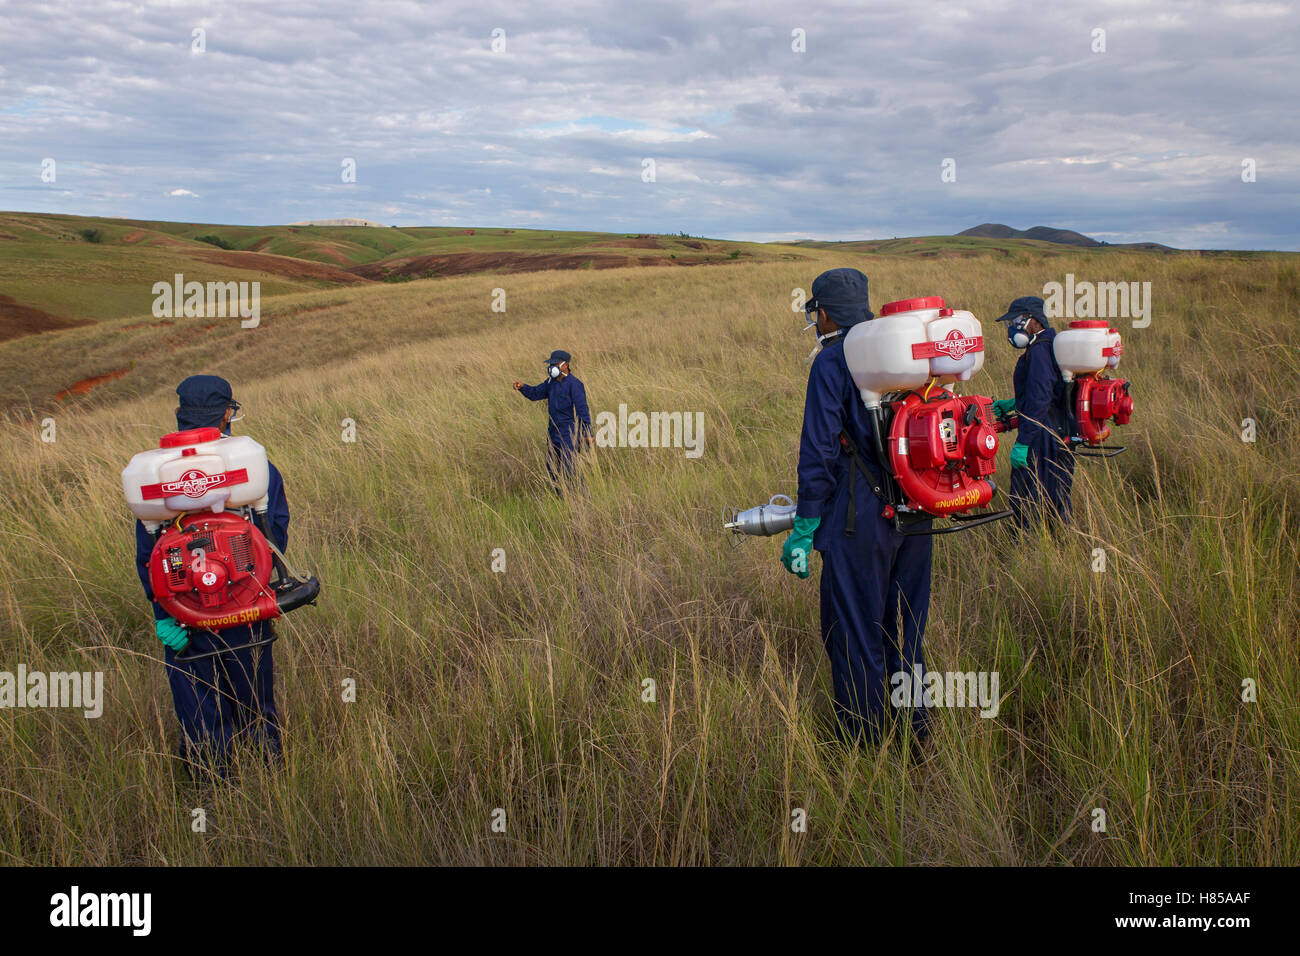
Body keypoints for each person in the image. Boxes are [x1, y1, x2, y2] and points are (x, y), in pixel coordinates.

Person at [780, 268, 932, 748]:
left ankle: (865, 746)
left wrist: (804, 526)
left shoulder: (832, 362)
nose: (816, 322)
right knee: (905, 629)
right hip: (917, 510)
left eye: (815, 313)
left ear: (825, 312)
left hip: (858, 521)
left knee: (853, 631)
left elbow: (820, 451)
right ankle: (914, 735)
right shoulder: (905, 349)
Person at [134, 375, 288, 778]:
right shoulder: (256, 468)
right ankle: (270, 784)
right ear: (226, 413)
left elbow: (148, 555)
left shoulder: (153, 477)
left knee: (199, 711)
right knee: (255, 705)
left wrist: (163, 616)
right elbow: (274, 537)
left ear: (179, 415)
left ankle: (211, 793)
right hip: (248, 608)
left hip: (182, 613)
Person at [993, 296, 1075, 529]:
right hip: (1057, 429)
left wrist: (1024, 442)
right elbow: (1048, 391)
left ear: (1033, 320)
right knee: (1055, 496)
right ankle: (1060, 545)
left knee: (1026, 497)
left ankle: (1025, 547)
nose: (1012, 327)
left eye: (1017, 321)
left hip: (1042, 434)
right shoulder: (1051, 344)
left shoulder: (1039, 350)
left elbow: (1040, 399)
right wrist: (1014, 404)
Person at [513, 349, 593, 491]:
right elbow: (536, 393)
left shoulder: (575, 384)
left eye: (555, 364)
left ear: (565, 365)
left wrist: (587, 433)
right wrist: (523, 388)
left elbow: (582, 410)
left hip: (568, 431)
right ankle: (561, 498)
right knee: (553, 469)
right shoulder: (551, 382)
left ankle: (581, 497)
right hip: (553, 431)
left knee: (570, 468)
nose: (551, 367)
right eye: (551, 364)